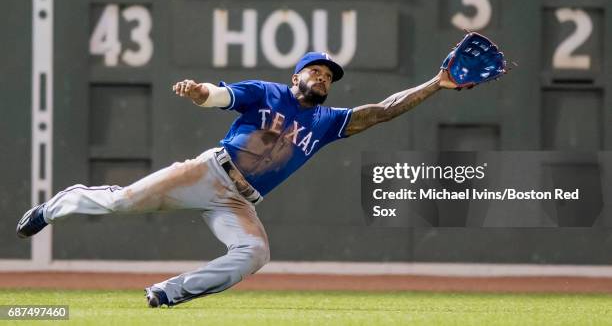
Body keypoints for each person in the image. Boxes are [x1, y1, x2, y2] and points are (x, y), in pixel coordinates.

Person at [16, 51, 458, 307]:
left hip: (239, 202)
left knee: (255, 252)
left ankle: (168, 293)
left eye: (328, 76)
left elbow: (382, 110)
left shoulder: (326, 121)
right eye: (315, 71)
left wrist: (436, 84)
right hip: (208, 172)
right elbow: (223, 96)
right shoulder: (269, 92)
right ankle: (56, 205)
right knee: (121, 202)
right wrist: (199, 93)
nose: (322, 78)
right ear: (296, 76)